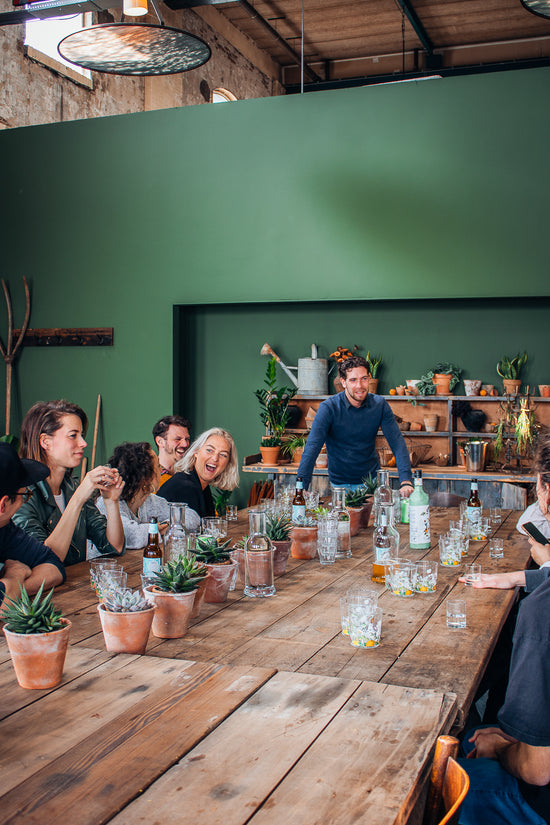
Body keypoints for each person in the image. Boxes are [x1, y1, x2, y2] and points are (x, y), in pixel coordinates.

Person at [456, 437, 550, 825]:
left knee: (454, 756)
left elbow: (536, 770)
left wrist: (500, 745)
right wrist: (524, 575)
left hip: (538, 801)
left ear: (544, 495)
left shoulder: (542, 611)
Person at [13, 400, 125, 566]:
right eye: (73, 435)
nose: (83, 443)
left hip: (75, 589)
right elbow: (44, 562)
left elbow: (114, 546)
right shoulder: (23, 495)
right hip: (43, 592)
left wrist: (111, 501)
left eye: (82, 435)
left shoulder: (72, 487)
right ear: (45, 442)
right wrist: (79, 497)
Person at [297, 356, 413, 494]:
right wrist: (301, 489)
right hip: (339, 485)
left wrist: (406, 480)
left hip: (371, 483)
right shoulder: (328, 408)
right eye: (353, 380)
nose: (359, 385)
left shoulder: (380, 405)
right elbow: (312, 447)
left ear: (369, 378)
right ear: (343, 382)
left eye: (363, 378)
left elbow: (397, 443)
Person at [95, 441, 200, 548]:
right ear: (145, 477)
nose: (161, 470)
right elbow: (130, 536)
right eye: (158, 466)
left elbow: (192, 516)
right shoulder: (108, 501)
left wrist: (168, 525)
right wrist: (155, 528)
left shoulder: (149, 500)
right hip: (103, 564)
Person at [0, 443, 65, 604]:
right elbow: (4, 609)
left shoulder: (5, 528)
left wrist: (11, 588)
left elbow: (54, 567)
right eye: (25, 494)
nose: (24, 501)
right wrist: (15, 574)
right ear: (3, 505)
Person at [158, 427, 239, 519]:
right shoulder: (185, 487)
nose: (215, 458)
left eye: (223, 455)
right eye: (209, 450)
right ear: (196, 452)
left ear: (228, 463)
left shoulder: (201, 485)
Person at [152, 415, 191, 489]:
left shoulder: (191, 475)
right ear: (160, 442)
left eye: (187, 439)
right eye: (177, 439)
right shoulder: (148, 479)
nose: (185, 444)